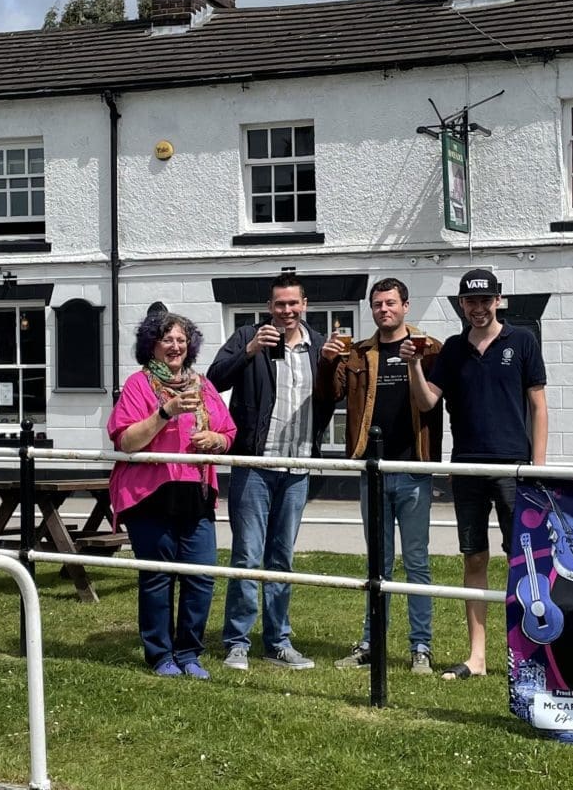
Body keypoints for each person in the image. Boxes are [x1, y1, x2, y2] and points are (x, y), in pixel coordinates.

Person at [407, 267, 549, 680]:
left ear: (498, 300)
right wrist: (415, 366)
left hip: (513, 468)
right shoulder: (451, 349)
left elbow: (538, 405)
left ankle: (527, 653)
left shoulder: (522, 340)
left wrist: (537, 468)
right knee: (474, 557)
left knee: (524, 560)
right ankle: (478, 657)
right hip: (466, 466)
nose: (479, 308)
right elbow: (427, 402)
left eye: (486, 300)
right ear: (462, 305)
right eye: (471, 301)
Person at [206, 275, 345, 670]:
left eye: (293, 304)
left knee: (281, 558)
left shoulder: (318, 345)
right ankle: (236, 642)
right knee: (248, 556)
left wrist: (335, 362)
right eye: (279, 304)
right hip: (254, 463)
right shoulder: (249, 336)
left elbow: (336, 395)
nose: (286, 311)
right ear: (270, 307)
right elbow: (214, 380)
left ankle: (278, 641)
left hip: (298, 465)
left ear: (305, 304)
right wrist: (248, 351)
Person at [108, 308, 237, 678]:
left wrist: (216, 439)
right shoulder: (138, 385)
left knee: (200, 574)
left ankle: (189, 652)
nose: (175, 346)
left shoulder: (204, 386)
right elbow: (126, 441)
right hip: (150, 496)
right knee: (158, 577)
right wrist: (165, 412)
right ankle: (160, 654)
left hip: (194, 494)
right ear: (152, 345)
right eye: (168, 340)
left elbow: (228, 433)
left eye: (181, 340)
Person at [331, 278, 445, 675]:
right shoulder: (358, 353)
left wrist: (413, 361)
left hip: (413, 469)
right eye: (378, 304)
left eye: (391, 303)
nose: (384, 310)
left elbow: (435, 400)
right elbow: (332, 393)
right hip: (372, 471)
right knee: (377, 565)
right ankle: (370, 643)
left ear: (406, 306)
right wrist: (328, 360)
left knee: (417, 562)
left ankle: (421, 648)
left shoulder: (431, 350)